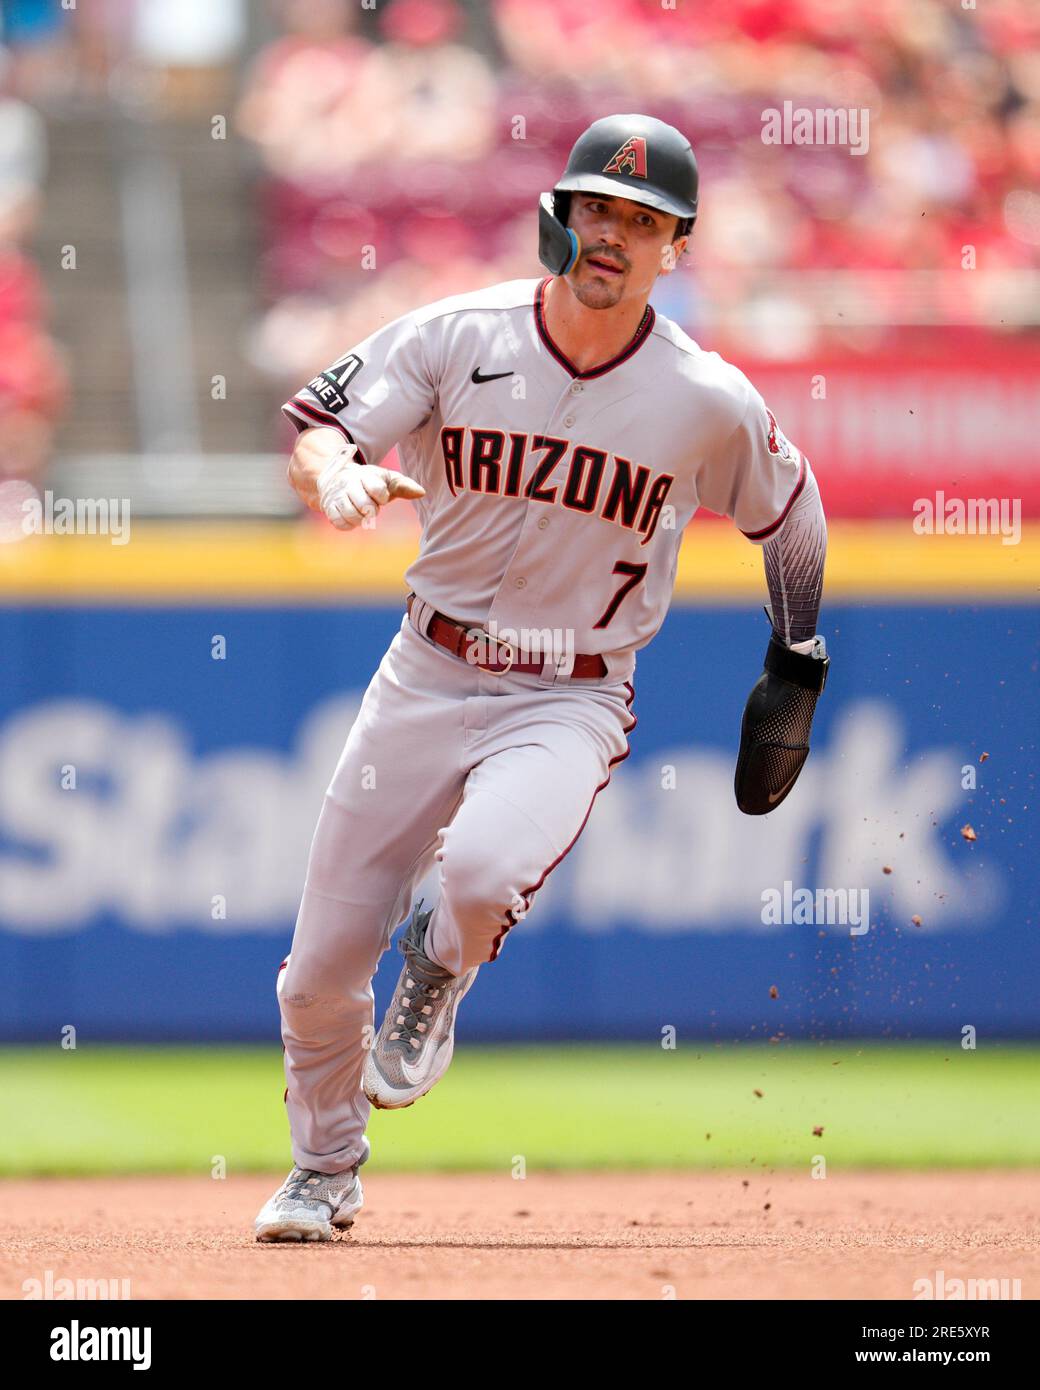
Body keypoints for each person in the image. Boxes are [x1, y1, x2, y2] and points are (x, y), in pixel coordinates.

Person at [254, 114, 829, 1242]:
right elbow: (317, 422)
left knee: (472, 880)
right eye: (597, 209)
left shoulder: (702, 397)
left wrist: (795, 654)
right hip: (426, 667)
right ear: (557, 218)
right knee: (316, 972)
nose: (613, 234)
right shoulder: (455, 331)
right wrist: (334, 477)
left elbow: (791, 514)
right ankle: (323, 1172)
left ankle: (436, 961)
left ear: (679, 246)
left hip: (566, 691)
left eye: (643, 220)